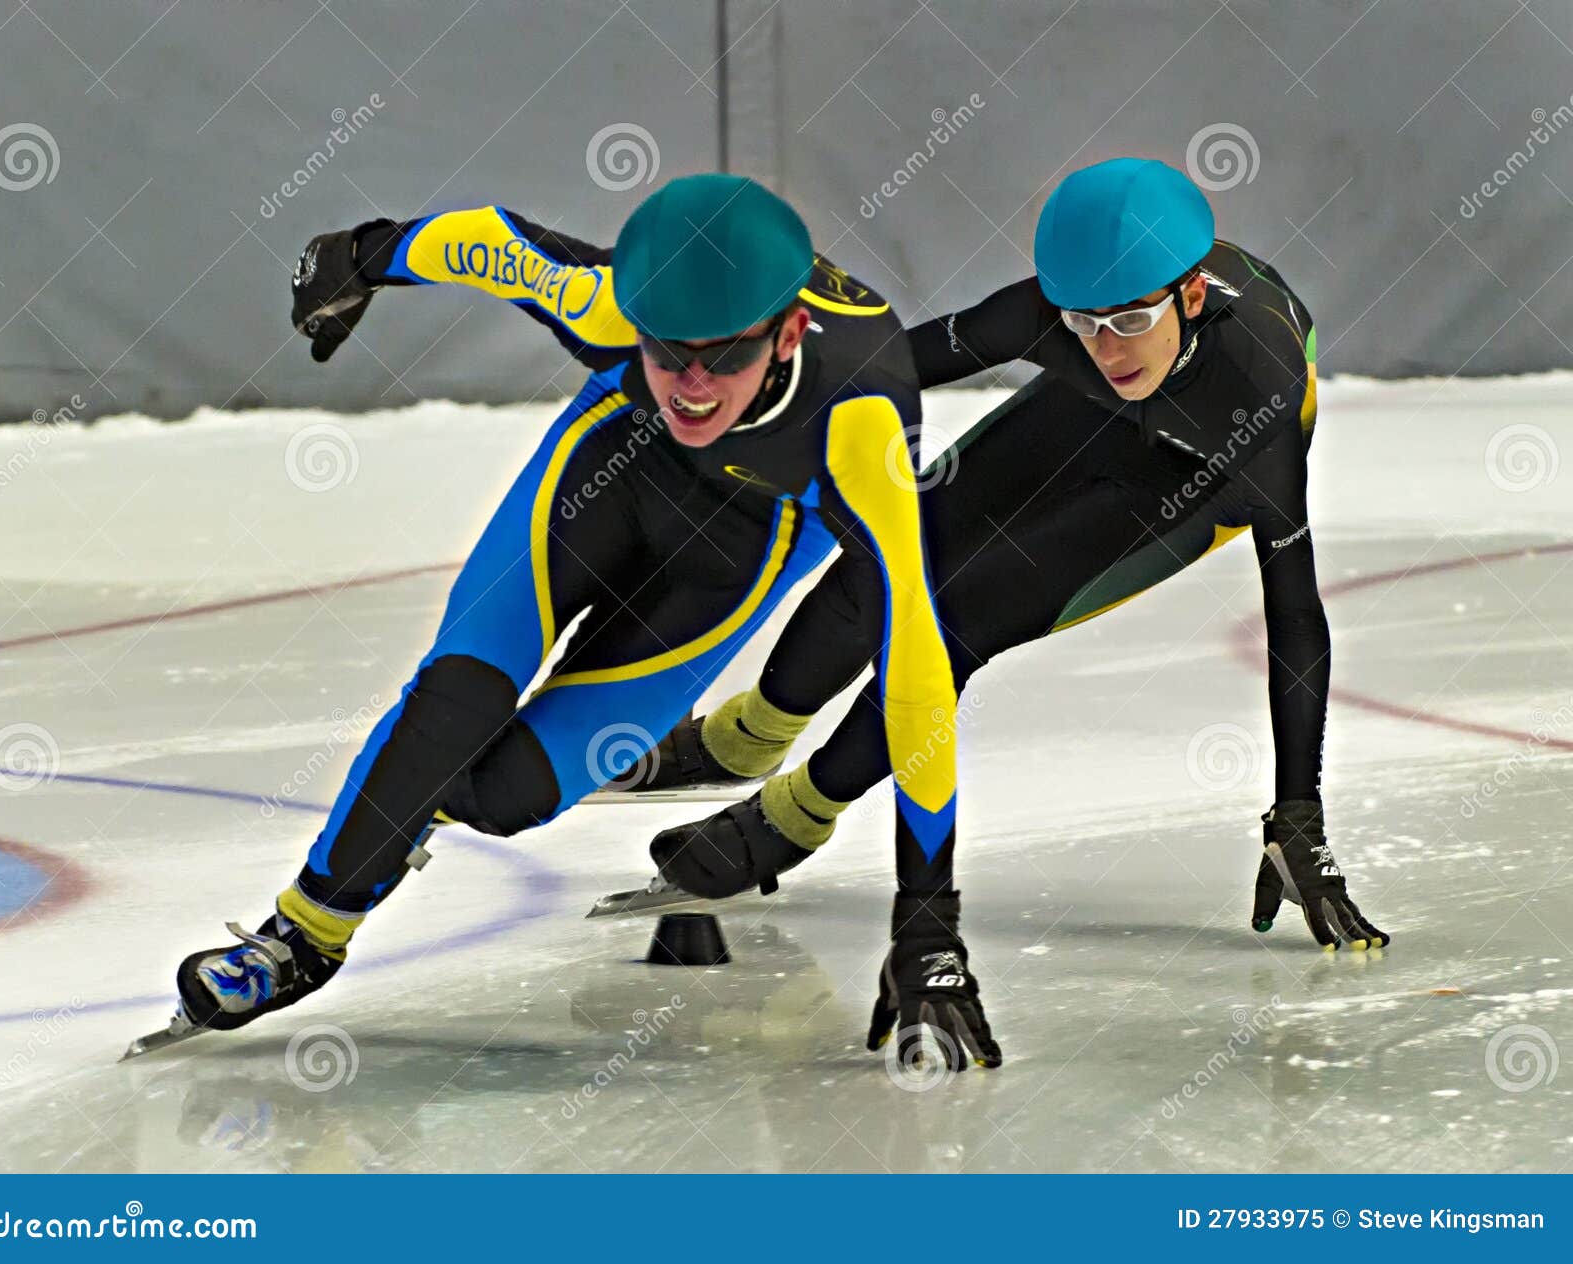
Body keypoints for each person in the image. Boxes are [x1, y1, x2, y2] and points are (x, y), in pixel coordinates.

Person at [169, 173, 1000, 1071]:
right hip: (613, 466)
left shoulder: (859, 423)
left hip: (742, 545)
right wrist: (356, 258)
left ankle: (427, 808)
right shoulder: (605, 306)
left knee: (505, 797)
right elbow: (490, 242)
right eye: (664, 350)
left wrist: (928, 933)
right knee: (452, 704)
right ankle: (301, 938)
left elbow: (915, 672)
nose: (690, 385)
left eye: (723, 358)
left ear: (789, 332)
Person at [646, 157, 1388, 954]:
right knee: (898, 545)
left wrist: (1298, 816)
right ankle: (746, 737)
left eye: (1129, 319)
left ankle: (794, 816)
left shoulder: (1257, 385)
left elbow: (1296, 612)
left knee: (959, 622)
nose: (1108, 346)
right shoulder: (1064, 323)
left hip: (1204, 471)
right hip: (1100, 415)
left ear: (1193, 295)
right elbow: (886, 365)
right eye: (1084, 322)